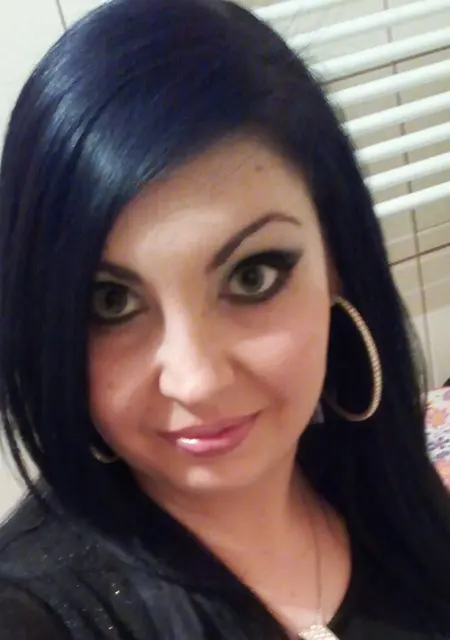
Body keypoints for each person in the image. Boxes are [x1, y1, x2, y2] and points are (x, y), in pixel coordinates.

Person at [0, 0, 449, 638]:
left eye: (252, 276)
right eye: (111, 302)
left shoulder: (389, 490)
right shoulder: (38, 613)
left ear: (335, 262)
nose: (197, 380)